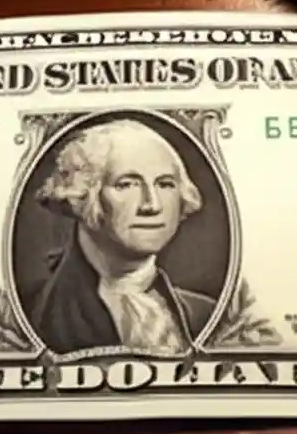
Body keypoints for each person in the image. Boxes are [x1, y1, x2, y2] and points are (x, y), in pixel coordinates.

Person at [23, 118, 216, 357]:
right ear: (83, 194)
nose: (152, 205)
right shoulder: (31, 316)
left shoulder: (206, 314)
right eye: (127, 185)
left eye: (165, 184)